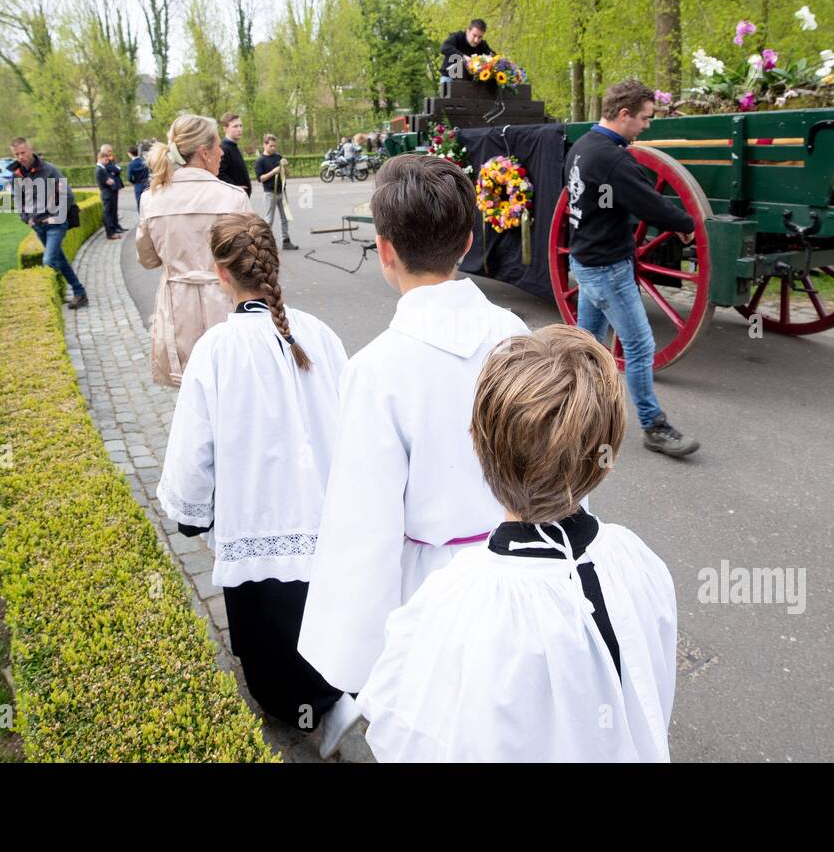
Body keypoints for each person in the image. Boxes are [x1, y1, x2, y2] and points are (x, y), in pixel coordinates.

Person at [357, 325, 679, 762]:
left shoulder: (452, 601)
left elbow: (405, 731)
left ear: (475, 441)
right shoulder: (639, 561)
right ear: (608, 455)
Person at [297, 153, 531, 712]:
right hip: (523, 579)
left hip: (430, 597)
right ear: (469, 238)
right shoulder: (517, 333)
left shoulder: (377, 369)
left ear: (384, 250)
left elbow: (364, 525)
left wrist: (354, 654)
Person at [156, 212, 360, 756]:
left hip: (254, 519)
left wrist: (191, 508)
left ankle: (298, 713)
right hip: (321, 517)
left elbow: (194, 444)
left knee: (268, 635)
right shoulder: (318, 334)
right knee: (318, 615)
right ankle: (333, 694)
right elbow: (351, 420)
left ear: (222, 274)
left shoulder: (217, 349)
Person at [565, 78, 701, 458]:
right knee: (639, 346)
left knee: (586, 349)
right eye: (644, 118)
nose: (646, 126)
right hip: (608, 268)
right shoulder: (613, 158)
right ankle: (654, 426)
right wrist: (687, 224)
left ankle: (573, 418)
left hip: (585, 262)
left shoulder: (581, 148)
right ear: (623, 114)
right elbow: (650, 205)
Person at [137, 113, 255, 388]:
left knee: (191, 391)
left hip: (177, 308)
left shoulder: (151, 199)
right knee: (231, 383)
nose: (222, 151)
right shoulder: (233, 197)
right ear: (204, 152)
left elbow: (147, 259)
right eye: (217, 145)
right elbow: (251, 260)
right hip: (226, 303)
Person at [8, 136, 88, 309]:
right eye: (17, 154)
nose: (20, 157)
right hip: (37, 225)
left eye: (23, 152)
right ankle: (79, 292)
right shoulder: (16, 176)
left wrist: (56, 216)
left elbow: (69, 195)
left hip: (56, 224)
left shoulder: (50, 170)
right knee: (59, 260)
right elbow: (18, 200)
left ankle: (45, 304)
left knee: (48, 261)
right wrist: (26, 219)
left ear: (30, 150)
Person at [253, 134, 297, 251]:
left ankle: (286, 241)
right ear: (265, 145)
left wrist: (286, 167)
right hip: (270, 193)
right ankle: (267, 244)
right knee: (269, 220)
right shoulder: (260, 161)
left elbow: (288, 174)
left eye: (275, 146)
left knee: (284, 218)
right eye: (271, 146)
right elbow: (260, 178)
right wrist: (273, 172)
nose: (274, 148)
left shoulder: (278, 157)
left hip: (282, 192)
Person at [217, 113, 252, 195]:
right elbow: (218, 173)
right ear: (225, 129)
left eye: (241, 126)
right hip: (233, 199)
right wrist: (235, 187)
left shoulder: (233, 146)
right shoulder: (224, 148)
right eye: (235, 126)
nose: (239, 129)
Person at [95, 143, 125, 240]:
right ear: (100, 158)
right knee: (107, 213)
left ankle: (112, 230)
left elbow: (113, 175)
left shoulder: (101, 168)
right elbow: (109, 181)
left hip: (108, 193)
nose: (107, 161)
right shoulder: (99, 169)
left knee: (111, 212)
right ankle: (110, 233)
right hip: (106, 194)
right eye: (106, 159)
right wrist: (110, 180)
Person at [126, 144, 150, 212]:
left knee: (140, 203)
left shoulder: (130, 164)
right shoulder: (144, 161)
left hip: (138, 184)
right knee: (148, 203)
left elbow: (129, 177)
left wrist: (134, 182)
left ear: (130, 154)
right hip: (147, 183)